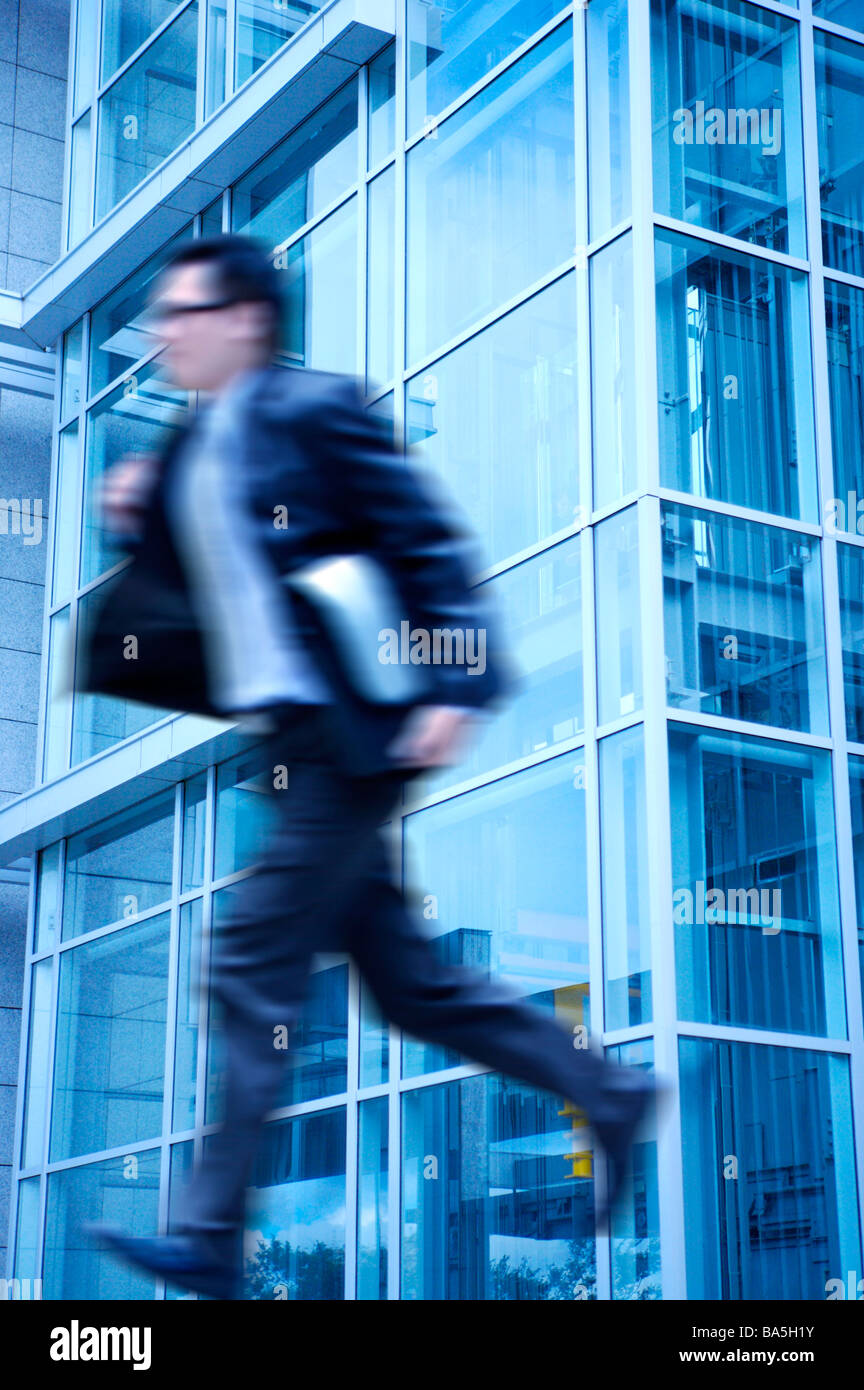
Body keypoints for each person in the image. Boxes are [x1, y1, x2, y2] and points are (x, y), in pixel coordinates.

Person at [80, 234, 666, 1300]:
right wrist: (132, 512)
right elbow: (190, 583)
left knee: (248, 958)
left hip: (354, 738)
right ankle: (606, 1089)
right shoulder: (188, 449)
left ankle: (209, 1236)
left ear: (246, 319)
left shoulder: (313, 411)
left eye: (183, 311)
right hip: (290, 748)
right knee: (415, 990)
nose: (164, 332)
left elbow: (423, 539)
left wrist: (457, 684)